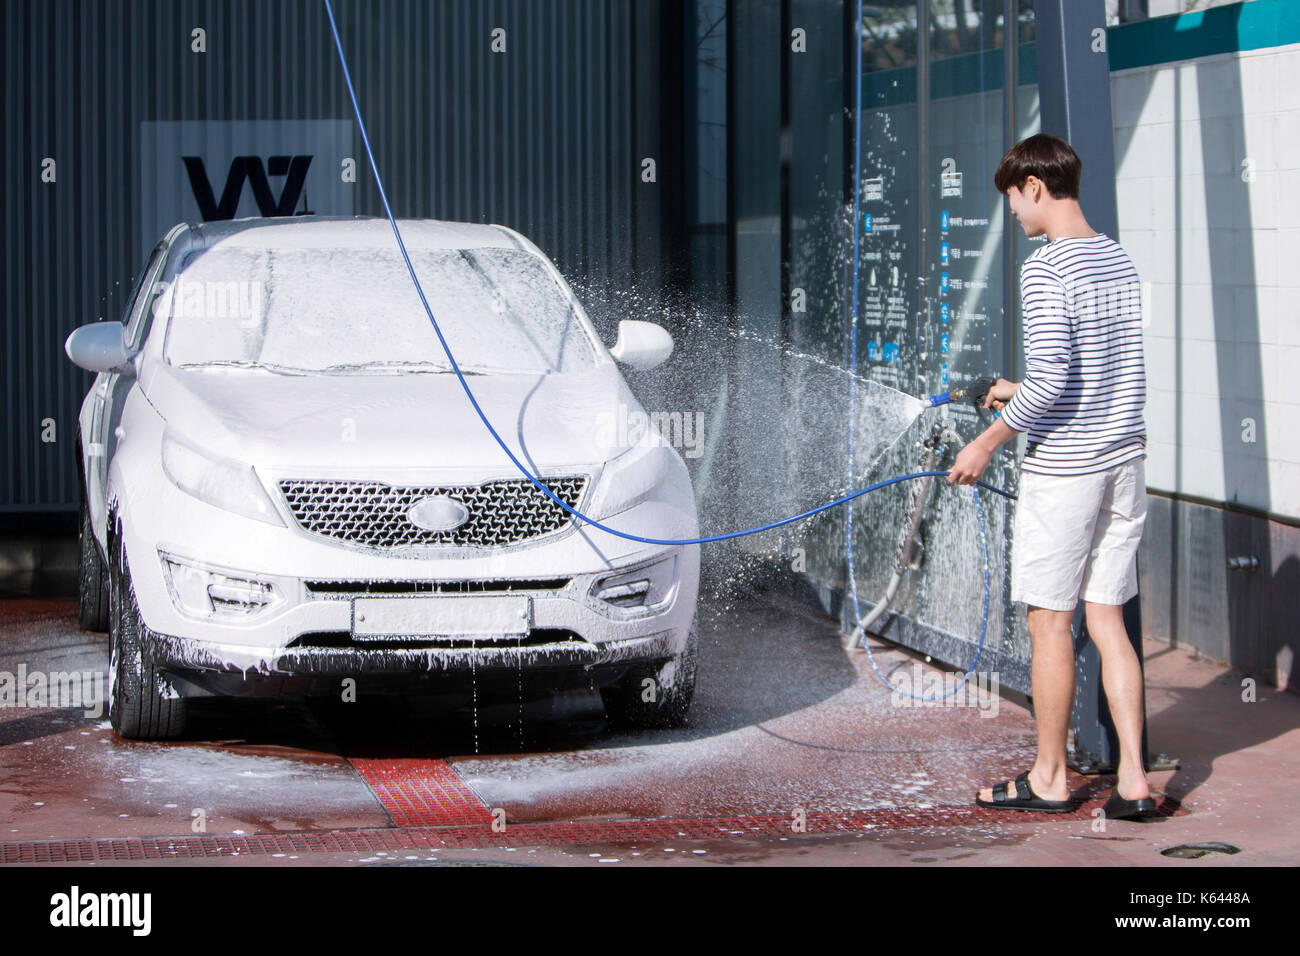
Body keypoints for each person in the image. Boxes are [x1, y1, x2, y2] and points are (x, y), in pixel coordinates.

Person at [947, 133, 1156, 820]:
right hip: (1124, 460)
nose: (1012, 212)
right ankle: (1133, 781)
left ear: (1034, 185)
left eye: (1011, 197)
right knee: (1108, 619)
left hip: (1067, 470)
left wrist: (988, 442)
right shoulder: (1116, 258)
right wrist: (1018, 388)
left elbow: (1057, 381)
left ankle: (1049, 778)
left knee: (1050, 625)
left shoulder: (1048, 268)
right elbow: (1090, 372)